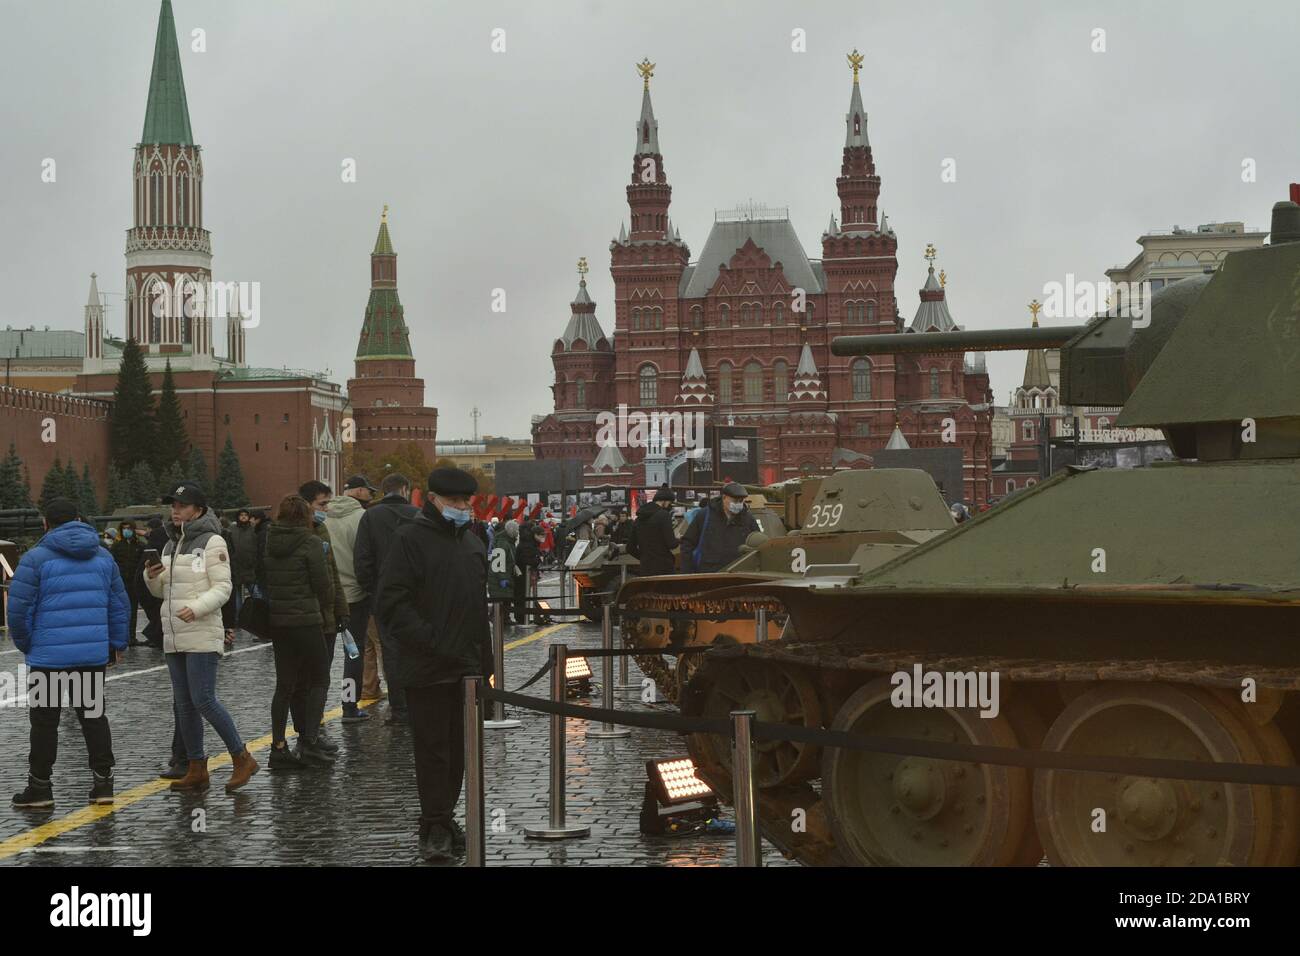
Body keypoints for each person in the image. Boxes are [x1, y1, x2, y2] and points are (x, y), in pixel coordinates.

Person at [377, 467, 491, 861]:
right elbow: (392, 603)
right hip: (426, 666)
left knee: (458, 752)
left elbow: (478, 608)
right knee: (432, 751)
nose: (462, 507)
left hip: (466, 667)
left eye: (466, 501)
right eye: (454, 501)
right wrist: (431, 641)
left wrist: (485, 663)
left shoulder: (472, 543)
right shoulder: (409, 539)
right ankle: (435, 825)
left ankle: (444, 817)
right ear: (433, 499)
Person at [9, 498, 129, 808]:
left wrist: (27, 643)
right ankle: (103, 784)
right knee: (93, 717)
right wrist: (117, 644)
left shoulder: (35, 558)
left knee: (44, 723)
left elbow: (19, 609)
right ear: (78, 519)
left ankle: (40, 787)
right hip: (91, 655)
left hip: (48, 658)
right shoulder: (103, 556)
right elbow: (119, 605)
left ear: (45, 523)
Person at [145, 481, 259, 793]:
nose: (175, 511)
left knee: (203, 699)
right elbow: (161, 591)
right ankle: (196, 767)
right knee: (184, 705)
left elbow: (224, 587)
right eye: (173, 506)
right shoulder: (170, 544)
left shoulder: (213, 541)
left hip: (201, 633)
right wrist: (151, 577)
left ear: (198, 510)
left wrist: (196, 609)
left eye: (182, 506)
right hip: (174, 635)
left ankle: (242, 757)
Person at [258, 495, 336, 769]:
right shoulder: (310, 542)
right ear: (304, 516)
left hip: (279, 622)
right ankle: (310, 742)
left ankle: (278, 748)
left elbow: (263, 578)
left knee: (285, 685)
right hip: (307, 621)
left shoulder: (270, 540)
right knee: (319, 679)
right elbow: (322, 584)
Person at [354, 472, 418, 724]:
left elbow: (362, 559)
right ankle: (418, 704)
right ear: (404, 490)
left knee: (390, 652)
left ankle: (399, 709)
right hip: (415, 596)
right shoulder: (418, 515)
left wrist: (372, 591)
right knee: (416, 648)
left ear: (384, 491)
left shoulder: (370, 516)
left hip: (383, 597)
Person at [298, 481, 349, 750]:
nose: (326, 509)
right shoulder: (296, 533)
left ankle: (315, 730)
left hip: (326, 615)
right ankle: (306, 734)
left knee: (321, 677)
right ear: (306, 504)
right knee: (306, 679)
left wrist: (341, 608)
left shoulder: (322, 529)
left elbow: (332, 574)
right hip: (306, 617)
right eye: (322, 504)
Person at [327, 474, 376, 723]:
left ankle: (314, 709)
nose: (371, 495)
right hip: (355, 595)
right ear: (358, 492)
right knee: (353, 652)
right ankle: (349, 705)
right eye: (369, 491)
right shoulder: (362, 518)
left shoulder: (324, 516)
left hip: (327, 594)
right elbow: (367, 556)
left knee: (322, 656)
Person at [680, 482, 760, 573]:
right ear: (724, 497)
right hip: (710, 572)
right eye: (735, 501)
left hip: (738, 572)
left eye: (741, 501)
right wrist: (687, 572)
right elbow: (687, 543)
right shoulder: (705, 516)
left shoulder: (748, 519)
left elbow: (758, 544)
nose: (738, 504)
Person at [630, 485, 679, 575]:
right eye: (669, 503)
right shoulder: (663, 515)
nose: (669, 506)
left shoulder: (638, 518)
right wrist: (679, 539)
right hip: (664, 567)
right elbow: (671, 544)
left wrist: (644, 558)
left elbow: (630, 547)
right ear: (664, 501)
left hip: (646, 568)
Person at [109, 519, 145, 644]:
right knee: (121, 610)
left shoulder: (140, 546)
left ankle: (131, 637)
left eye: (128, 528)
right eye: (124, 528)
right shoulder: (117, 546)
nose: (126, 531)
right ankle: (123, 636)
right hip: (121, 581)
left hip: (134, 582)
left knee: (133, 610)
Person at [487, 518, 519, 625]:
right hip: (499, 577)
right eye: (516, 530)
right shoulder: (502, 543)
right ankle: (497, 617)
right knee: (501, 598)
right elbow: (498, 563)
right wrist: (503, 578)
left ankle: (504, 618)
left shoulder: (509, 542)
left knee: (506, 598)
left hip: (506, 574)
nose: (517, 532)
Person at [513, 519, 543, 625]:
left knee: (522, 596)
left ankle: (523, 617)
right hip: (522, 574)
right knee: (521, 596)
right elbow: (527, 560)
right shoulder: (527, 544)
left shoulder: (527, 542)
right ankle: (522, 618)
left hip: (523, 574)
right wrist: (538, 560)